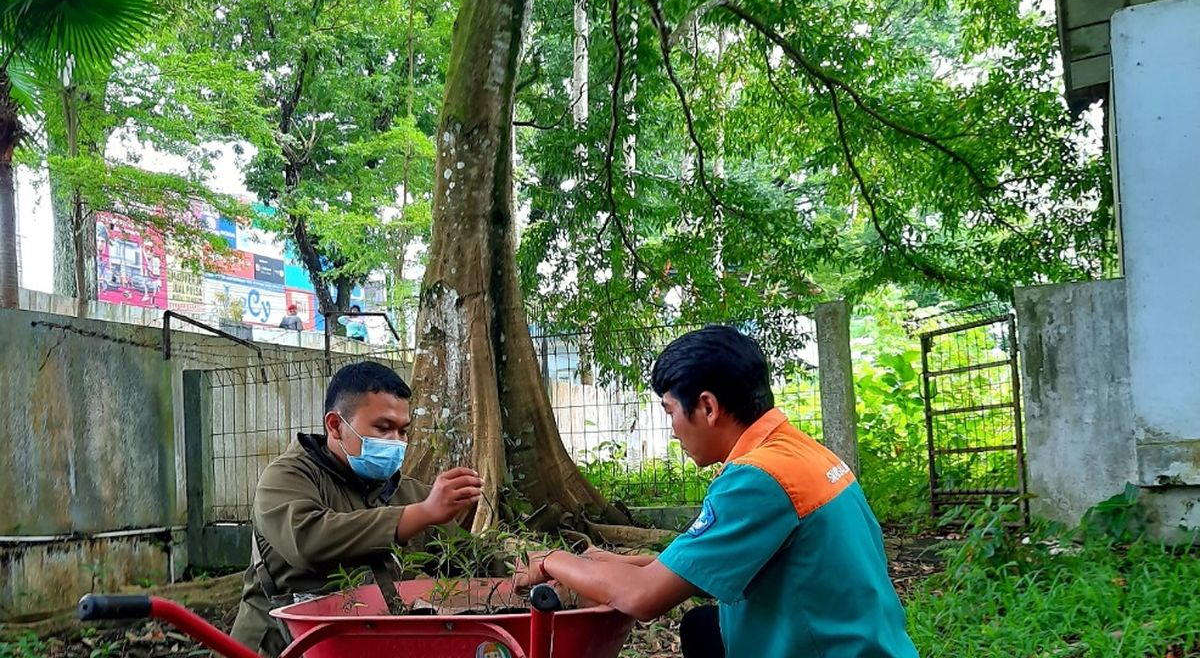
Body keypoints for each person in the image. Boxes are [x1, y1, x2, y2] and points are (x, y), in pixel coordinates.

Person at [514, 325, 917, 658]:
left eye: (670, 411)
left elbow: (643, 597)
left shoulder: (757, 479)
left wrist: (551, 560)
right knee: (702, 627)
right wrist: (614, 563)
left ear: (707, 407)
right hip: (871, 643)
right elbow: (701, 572)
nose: (673, 430)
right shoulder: (796, 451)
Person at [230, 361, 483, 656]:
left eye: (403, 431)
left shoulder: (406, 491)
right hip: (282, 647)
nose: (397, 442)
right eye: (383, 428)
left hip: (363, 645)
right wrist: (421, 514)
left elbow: (467, 557)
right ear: (335, 426)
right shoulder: (286, 478)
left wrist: (526, 567)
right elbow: (310, 541)